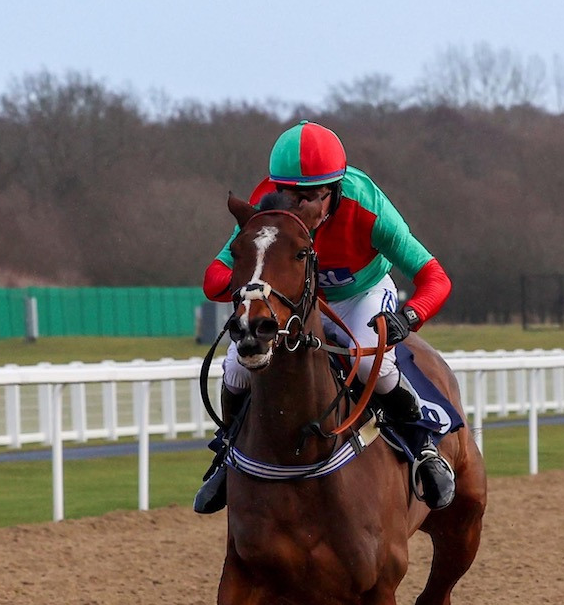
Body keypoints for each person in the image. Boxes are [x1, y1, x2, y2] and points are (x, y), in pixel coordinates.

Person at [194, 120, 457, 514]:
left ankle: (423, 450)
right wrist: (250, 283)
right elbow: (215, 275)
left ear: (334, 192)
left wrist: (409, 317)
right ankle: (228, 453)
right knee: (236, 366)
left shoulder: (369, 210)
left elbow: (434, 277)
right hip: (297, 300)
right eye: (288, 195)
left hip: (360, 294)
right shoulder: (266, 202)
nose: (296, 207)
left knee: (370, 364)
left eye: (310, 198)